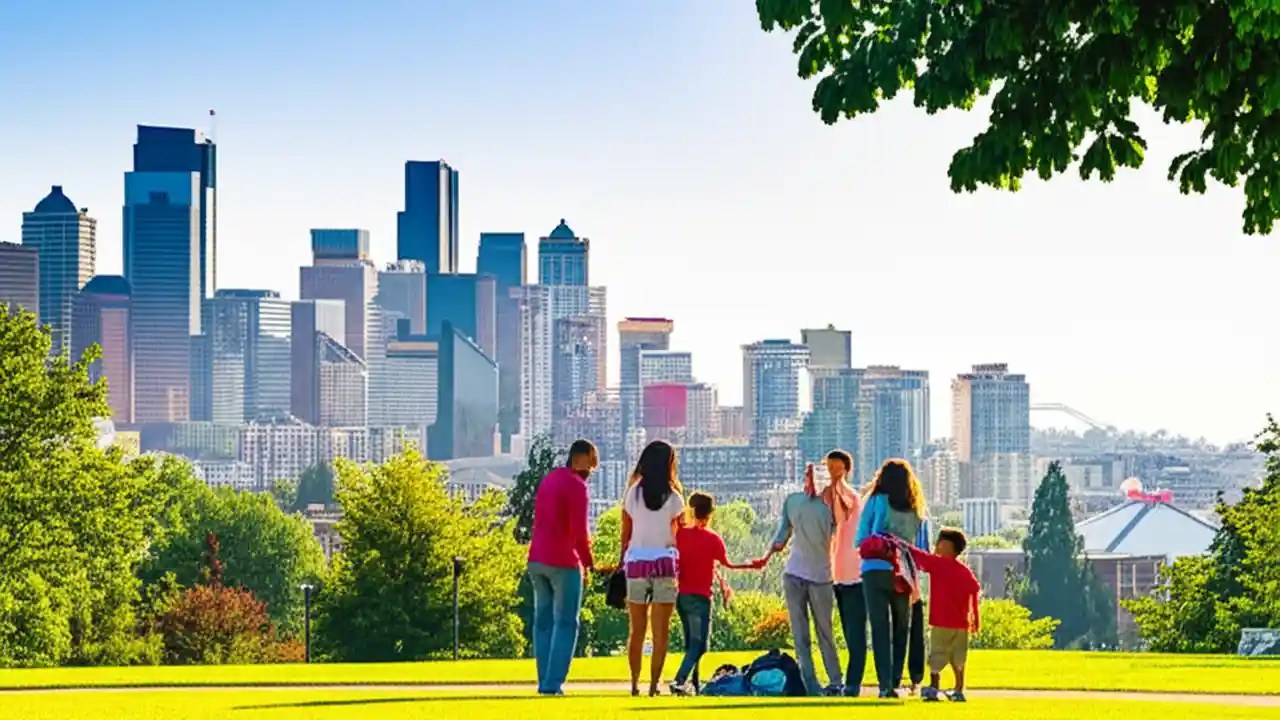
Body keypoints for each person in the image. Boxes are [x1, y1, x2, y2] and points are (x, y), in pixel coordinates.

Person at [668, 492, 768, 696]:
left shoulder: (680, 534)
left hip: (682, 597)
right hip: (700, 598)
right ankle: (679, 680)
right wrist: (754, 564)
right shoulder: (713, 539)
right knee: (700, 645)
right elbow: (729, 563)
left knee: (691, 644)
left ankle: (692, 684)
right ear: (710, 513)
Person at [526, 439, 598, 696]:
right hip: (563, 561)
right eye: (591, 463)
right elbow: (580, 532)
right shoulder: (577, 487)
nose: (592, 470)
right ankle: (552, 684)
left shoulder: (550, 479)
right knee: (566, 622)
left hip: (536, 559)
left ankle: (543, 679)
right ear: (583, 460)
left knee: (542, 622)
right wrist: (589, 563)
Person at [856, 458, 929, 699]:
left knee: (879, 628)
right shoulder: (916, 510)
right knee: (901, 628)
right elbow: (922, 549)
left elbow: (861, 537)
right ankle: (896, 682)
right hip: (904, 573)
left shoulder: (876, 501)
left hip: (874, 569)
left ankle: (884, 684)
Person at [769, 463, 842, 696]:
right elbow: (783, 531)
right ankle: (810, 685)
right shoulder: (792, 500)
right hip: (794, 574)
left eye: (814, 475)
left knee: (824, 631)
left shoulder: (831, 505)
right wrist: (772, 549)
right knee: (800, 634)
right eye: (807, 475)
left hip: (821, 577)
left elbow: (840, 535)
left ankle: (835, 682)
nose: (809, 480)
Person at [621, 440, 686, 697]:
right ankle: (653, 685)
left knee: (636, 630)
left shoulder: (633, 493)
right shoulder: (674, 497)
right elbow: (681, 532)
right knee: (661, 631)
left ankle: (634, 683)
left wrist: (620, 559)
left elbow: (626, 530)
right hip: (665, 564)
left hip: (636, 563)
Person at [906, 528, 981, 703]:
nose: (937, 545)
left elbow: (918, 556)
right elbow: (974, 590)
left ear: (948, 546)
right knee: (958, 657)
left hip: (941, 621)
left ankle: (934, 687)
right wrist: (974, 617)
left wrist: (899, 543)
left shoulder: (938, 564)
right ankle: (958, 688)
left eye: (940, 542)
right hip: (961, 623)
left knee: (937, 655)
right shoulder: (963, 571)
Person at [824, 450, 866, 697]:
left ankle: (853, 683)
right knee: (845, 631)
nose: (832, 473)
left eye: (837, 468)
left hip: (854, 576)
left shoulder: (851, 496)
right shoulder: (827, 496)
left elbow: (842, 512)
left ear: (846, 470)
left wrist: (836, 484)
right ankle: (844, 681)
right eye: (829, 468)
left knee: (855, 632)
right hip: (836, 575)